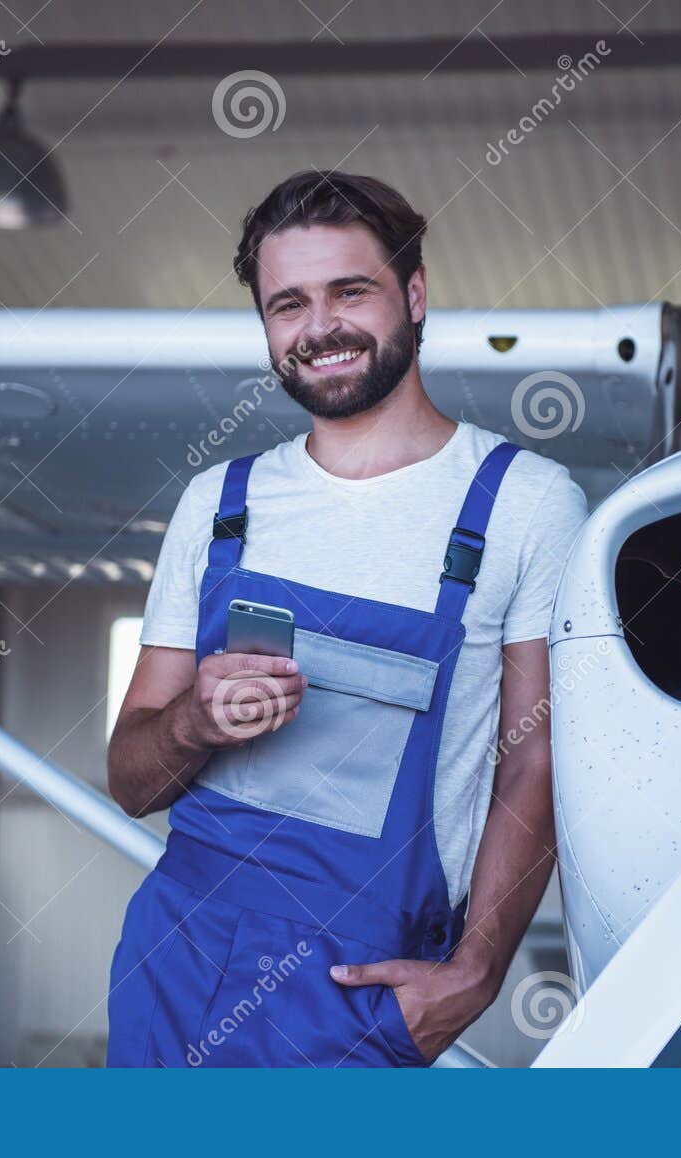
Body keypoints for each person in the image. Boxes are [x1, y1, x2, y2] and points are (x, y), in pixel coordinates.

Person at [105, 169, 588, 1067]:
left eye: (348, 292)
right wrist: (193, 723)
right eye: (288, 304)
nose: (319, 328)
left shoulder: (524, 504)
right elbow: (132, 783)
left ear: (414, 293)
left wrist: (480, 968)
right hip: (175, 962)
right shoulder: (222, 505)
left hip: (363, 991)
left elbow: (535, 759)